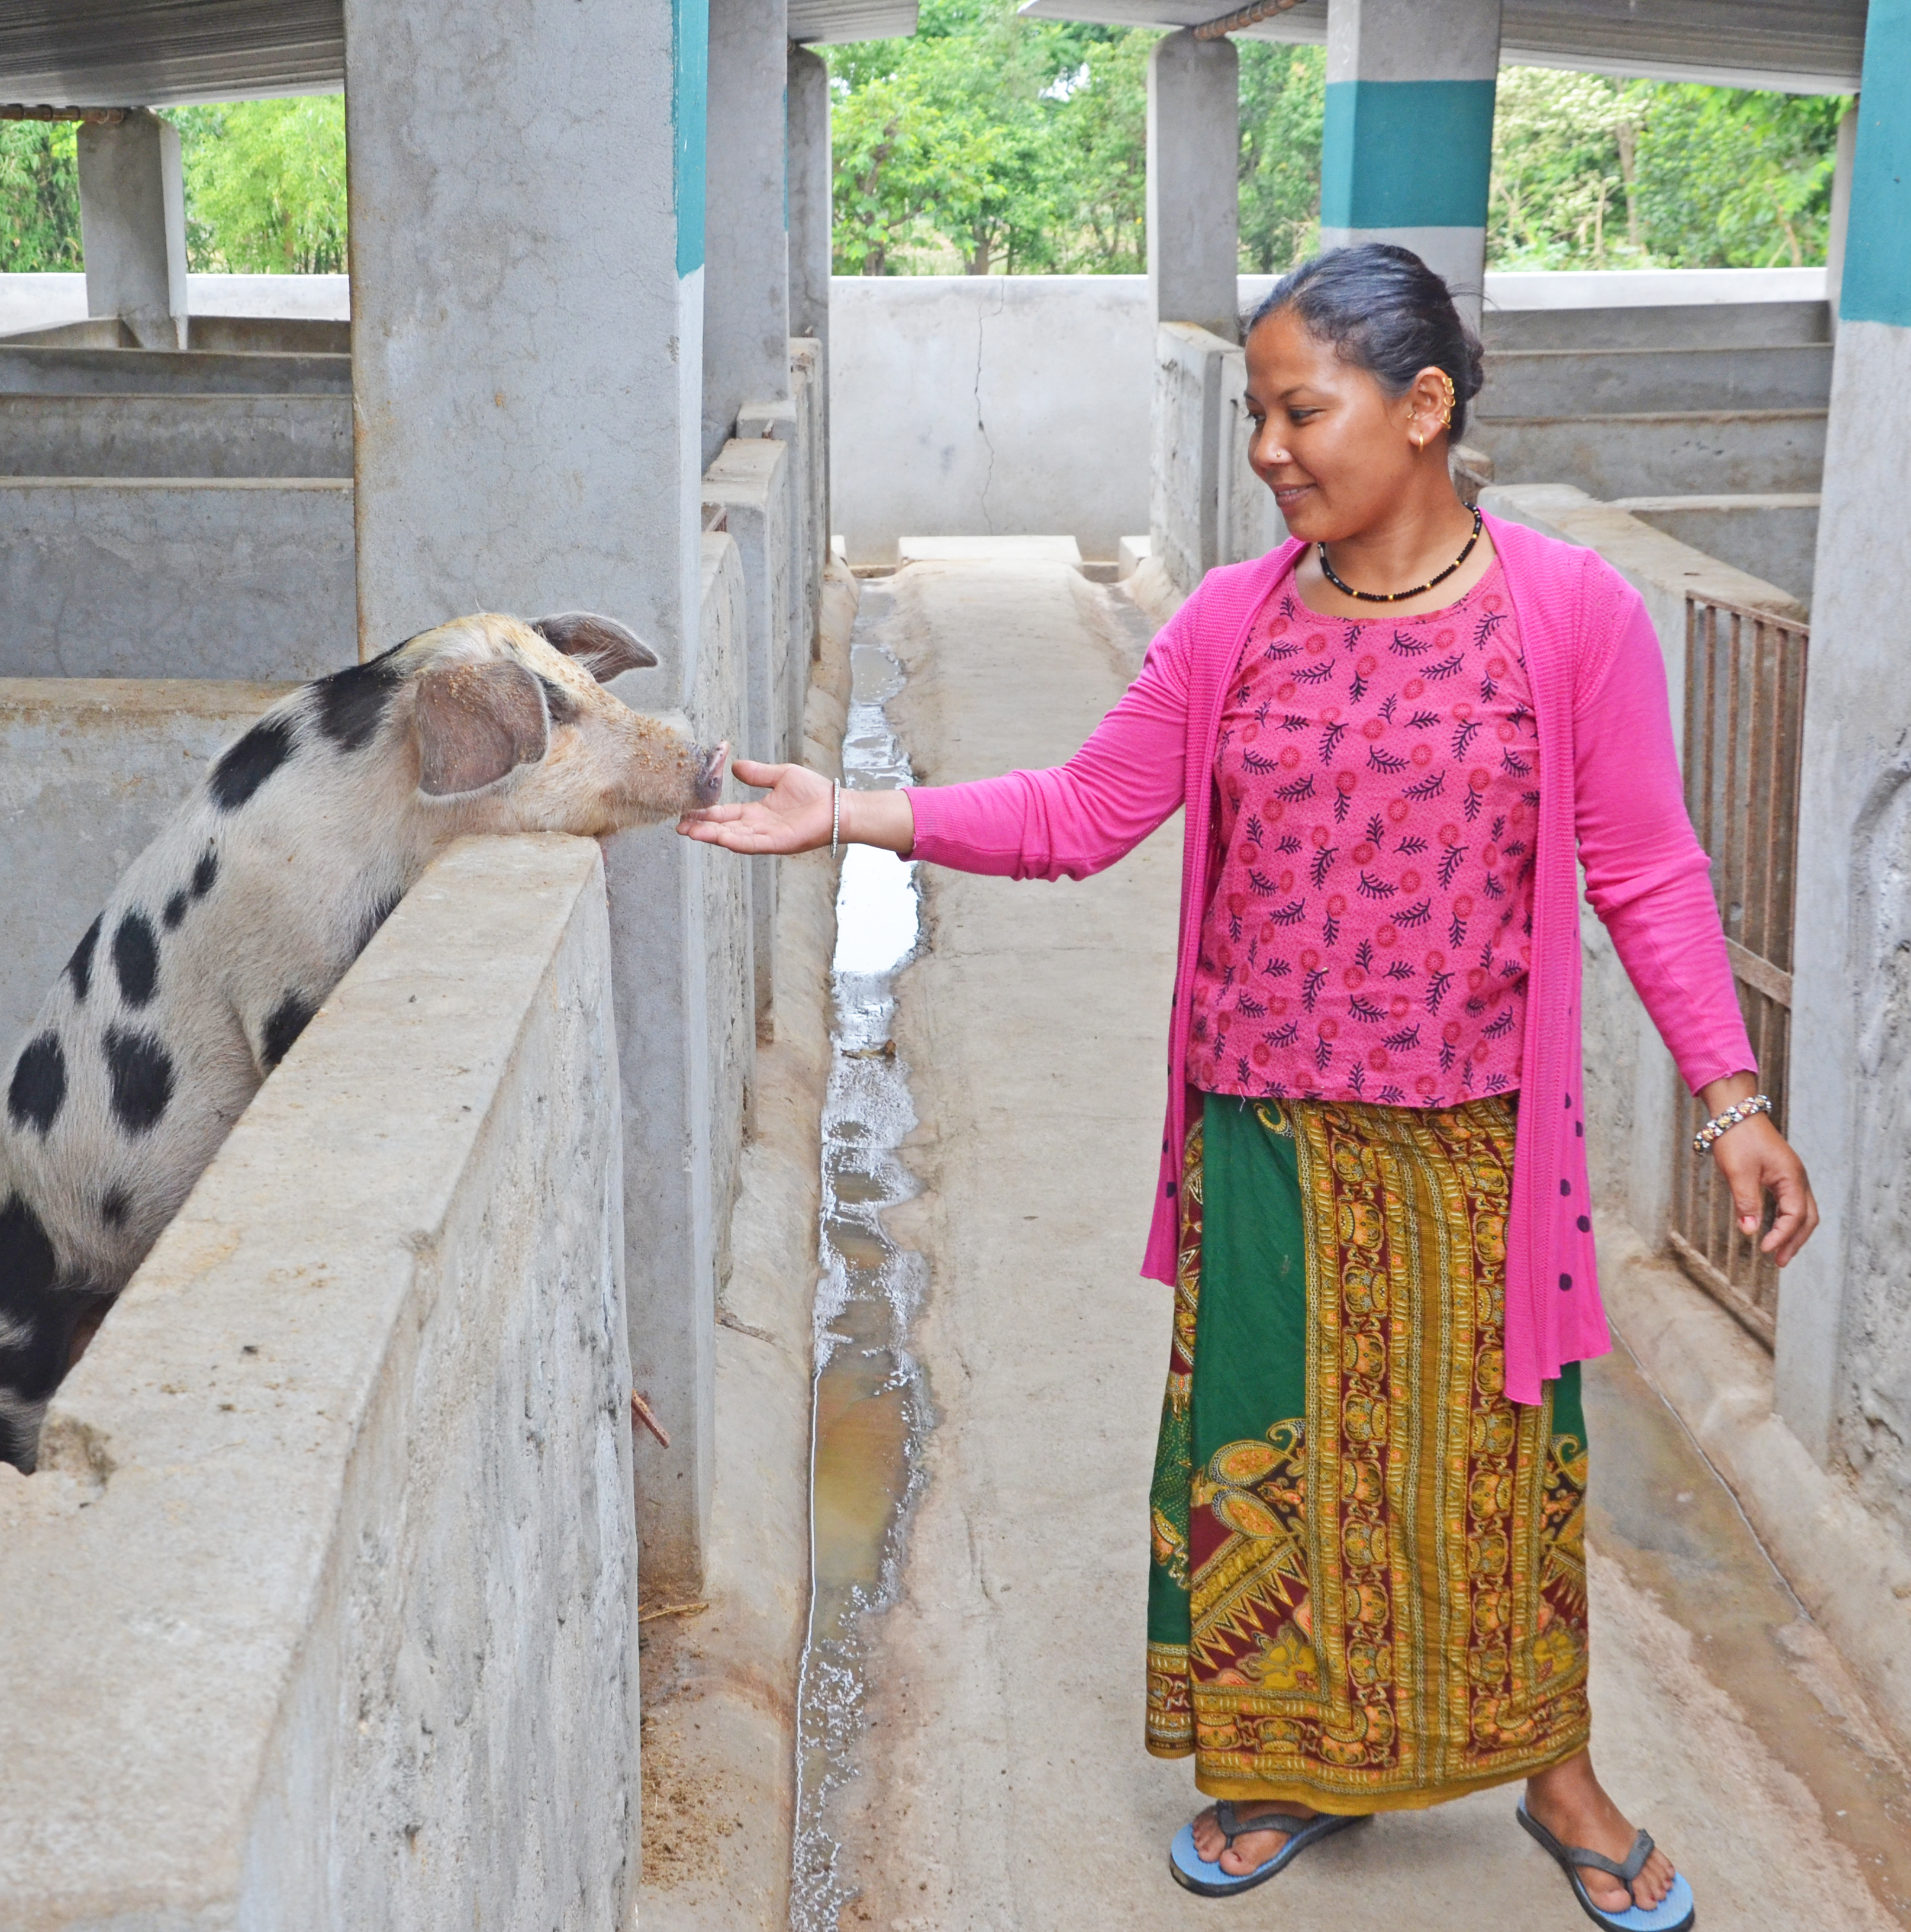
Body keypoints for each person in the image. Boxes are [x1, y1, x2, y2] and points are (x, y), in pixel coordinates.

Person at [681, 243, 1817, 1931]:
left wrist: (1732, 1099)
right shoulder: (1235, 623)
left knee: (1502, 1474)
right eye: (1264, 414)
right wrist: (848, 813)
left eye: (1306, 410)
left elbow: (1646, 874)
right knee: (1268, 1466)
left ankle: (1554, 1776)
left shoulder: (1569, 617)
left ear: (1424, 410)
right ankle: (1286, 1759)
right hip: (1266, 1141)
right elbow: (1079, 815)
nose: (1272, 447)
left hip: (1480, 1157)